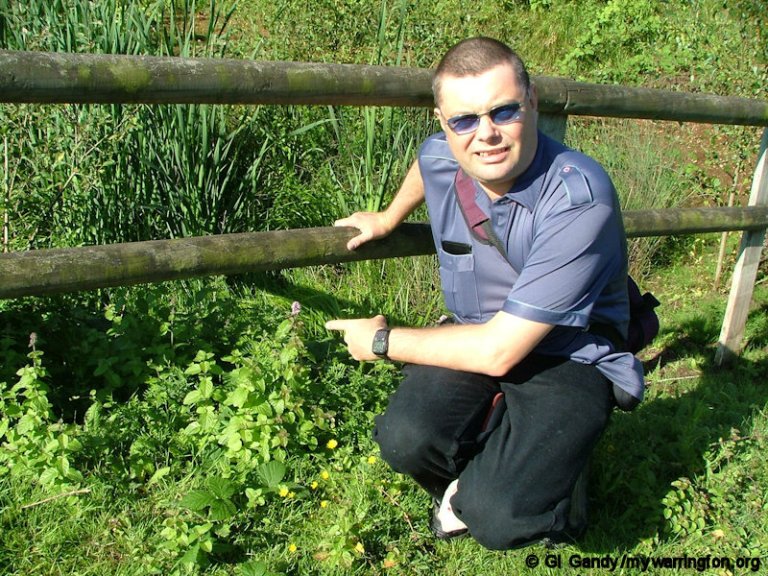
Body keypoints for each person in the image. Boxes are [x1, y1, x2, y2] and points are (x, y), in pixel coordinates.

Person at [325, 37, 644, 550]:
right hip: (476, 333)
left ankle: (553, 497)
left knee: (500, 519)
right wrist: (388, 217)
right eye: (464, 120)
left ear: (531, 101)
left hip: (570, 350)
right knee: (405, 439)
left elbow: (499, 350)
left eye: (504, 111)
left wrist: (381, 342)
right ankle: (494, 465)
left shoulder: (578, 197)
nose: (486, 134)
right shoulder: (446, 152)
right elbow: (429, 161)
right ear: (443, 121)